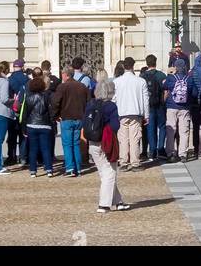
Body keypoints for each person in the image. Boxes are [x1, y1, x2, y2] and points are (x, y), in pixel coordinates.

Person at [90, 79, 130, 214]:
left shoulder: (90, 104)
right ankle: (104, 204)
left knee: (104, 173)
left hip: (93, 142)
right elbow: (115, 125)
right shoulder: (111, 106)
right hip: (106, 142)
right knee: (110, 173)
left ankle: (118, 201)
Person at [51, 67, 90, 176]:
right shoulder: (82, 86)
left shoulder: (62, 87)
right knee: (76, 144)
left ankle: (70, 168)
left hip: (66, 118)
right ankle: (78, 168)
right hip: (79, 118)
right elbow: (89, 101)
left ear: (65, 75)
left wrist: (55, 116)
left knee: (68, 145)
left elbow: (55, 102)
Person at [113, 57, 149, 171]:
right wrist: (146, 115)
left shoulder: (117, 81)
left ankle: (123, 161)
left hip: (122, 112)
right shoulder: (140, 81)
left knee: (123, 139)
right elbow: (145, 99)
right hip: (135, 112)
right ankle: (135, 162)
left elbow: (114, 99)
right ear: (133, 66)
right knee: (135, 139)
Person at [21, 74, 54, 177]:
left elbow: (25, 115)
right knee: (46, 148)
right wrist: (52, 124)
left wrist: (24, 129)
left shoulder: (28, 98)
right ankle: (49, 169)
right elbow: (50, 112)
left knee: (33, 149)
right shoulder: (47, 97)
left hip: (32, 125)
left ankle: (33, 171)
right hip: (45, 125)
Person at [163, 58, 194, 162]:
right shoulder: (189, 79)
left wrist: (170, 73)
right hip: (185, 108)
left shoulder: (171, 78)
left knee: (171, 130)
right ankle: (183, 154)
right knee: (184, 131)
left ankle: (171, 153)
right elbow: (193, 93)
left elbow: (164, 87)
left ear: (175, 67)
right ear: (184, 67)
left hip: (171, 106)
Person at [140, 55, 167, 162]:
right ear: (156, 62)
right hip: (160, 105)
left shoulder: (142, 76)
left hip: (148, 106)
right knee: (162, 126)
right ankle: (161, 149)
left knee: (150, 129)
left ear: (146, 63)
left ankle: (152, 151)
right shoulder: (161, 75)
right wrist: (163, 102)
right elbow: (166, 91)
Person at [6, 59, 29, 166]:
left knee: (11, 136)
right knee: (23, 135)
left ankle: (12, 156)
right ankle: (23, 158)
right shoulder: (26, 79)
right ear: (22, 67)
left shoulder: (9, 79)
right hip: (23, 109)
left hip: (11, 109)